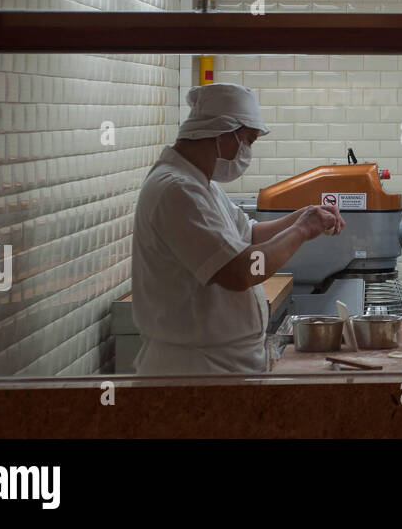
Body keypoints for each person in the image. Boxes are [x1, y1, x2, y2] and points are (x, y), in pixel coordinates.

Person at [130, 82, 343, 374]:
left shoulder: (201, 185)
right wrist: (302, 230)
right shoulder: (177, 191)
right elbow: (242, 271)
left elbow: (250, 234)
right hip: (195, 372)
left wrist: (303, 216)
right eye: (249, 140)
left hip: (221, 365)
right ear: (224, 134)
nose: (247, 152)